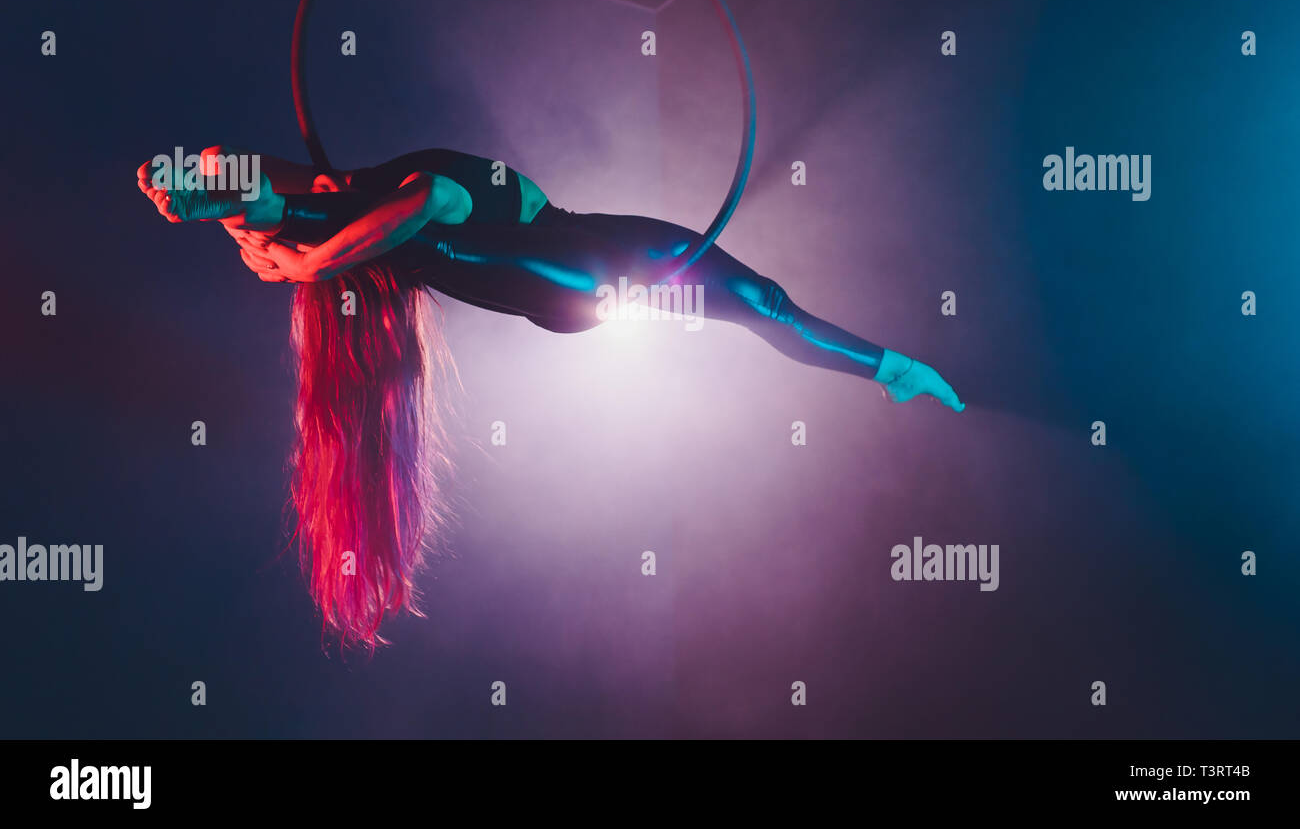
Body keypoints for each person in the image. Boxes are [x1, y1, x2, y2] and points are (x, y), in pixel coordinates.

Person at [138, 145, 964, 646]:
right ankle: (883, 368)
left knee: (768, 301)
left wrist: (209, 182)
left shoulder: (336, 189)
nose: (241, 181)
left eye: (224, 177)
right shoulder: (323, 224)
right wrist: (288, 245)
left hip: (588, 237)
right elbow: (419, 202)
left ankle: (892, 370)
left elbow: (246, 174)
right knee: (419, 227)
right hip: (567, 284)